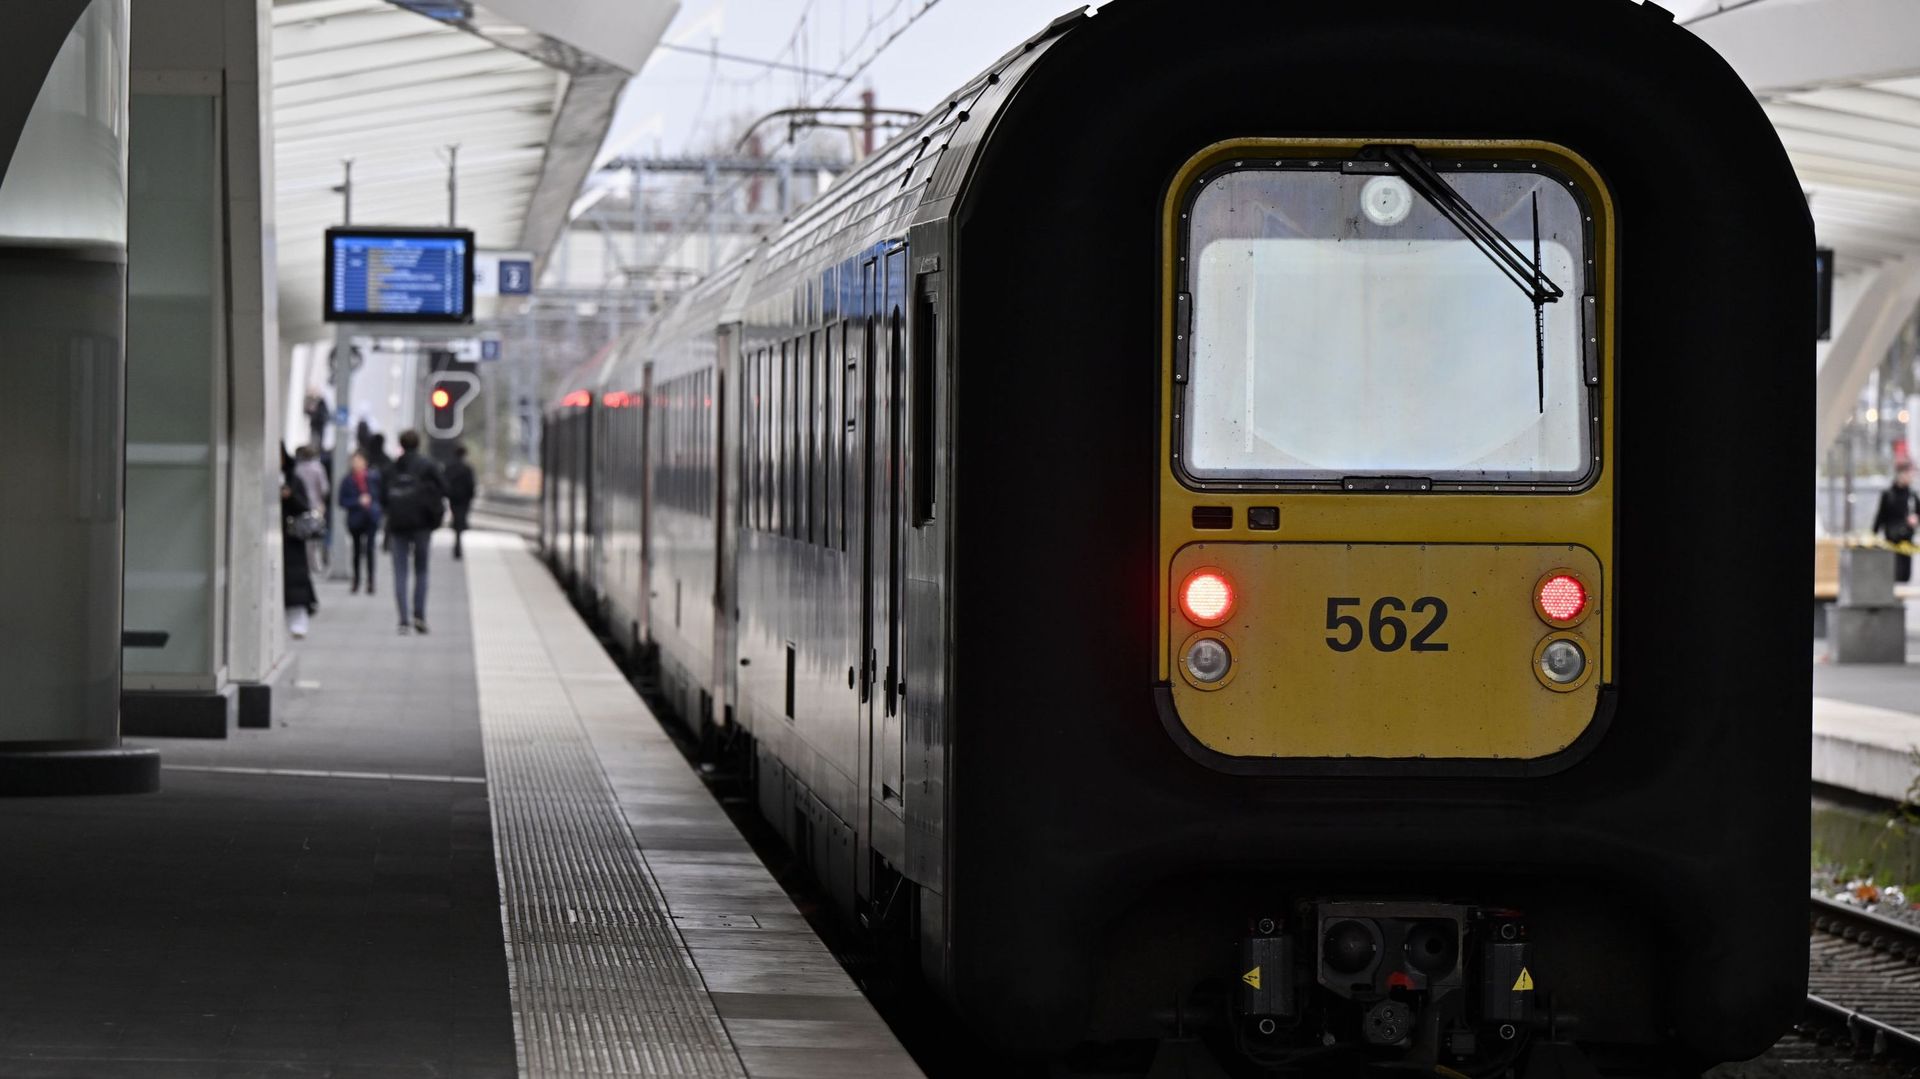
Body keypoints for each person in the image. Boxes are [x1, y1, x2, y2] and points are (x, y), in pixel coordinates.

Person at [381, 429, 447, 635]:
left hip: (398, 524)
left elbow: (383, 496)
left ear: (401, 444)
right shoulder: (429, 465)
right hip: (422, 524)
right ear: (418, 444)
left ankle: (403, 620)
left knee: (400, 572)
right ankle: (419, 615)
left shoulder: (392, 467)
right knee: (422, 570)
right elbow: (445, 488)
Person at [281, 448, 318, 639]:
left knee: (295, 581)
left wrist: (290, 496)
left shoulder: (294, 480)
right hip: (274, 538)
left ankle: (298, 621)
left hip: (292, 538)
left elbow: (304, 507)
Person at [338, 451, 383, 595]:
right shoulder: (347, 480)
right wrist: (357, 501)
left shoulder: (373, 478)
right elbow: (341, 501)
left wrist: (375, 506)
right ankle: (356, 580)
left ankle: (371, 580)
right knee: (356, 551)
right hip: (356, 518)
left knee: (370, 550)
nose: (356, 464)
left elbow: (381, 495)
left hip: (371, 517)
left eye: (359, 460)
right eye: (354, 461)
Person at [1873, 461, 1920, 583]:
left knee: (1905, 576)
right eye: (1908, 474)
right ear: (1900, 474)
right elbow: (1880, 515)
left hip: (1907, 541)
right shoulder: (1888, 494)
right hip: (1891, 541)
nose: (1910, 477)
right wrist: (1874, 534)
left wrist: (1916, 519)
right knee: (1892, 574)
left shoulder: (1912, 495)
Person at [292, 445, 330, 573]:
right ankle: (315, 563)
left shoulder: (298, 469)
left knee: (302, 534)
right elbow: (324, 488)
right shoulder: (318, 468)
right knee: (315, 535)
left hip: (300, 505)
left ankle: (305, 563)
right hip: (316, 504)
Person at [444, 443, 477, 560]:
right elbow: (471, 485)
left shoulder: (449, 467)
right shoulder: (467, 468)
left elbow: (444, 481)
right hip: (464, 499)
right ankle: (458, 540)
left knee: (456, 517)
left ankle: (457, 539)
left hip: (453, 498)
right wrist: (471, 496)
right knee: (461, 518)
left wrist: (447, 494)